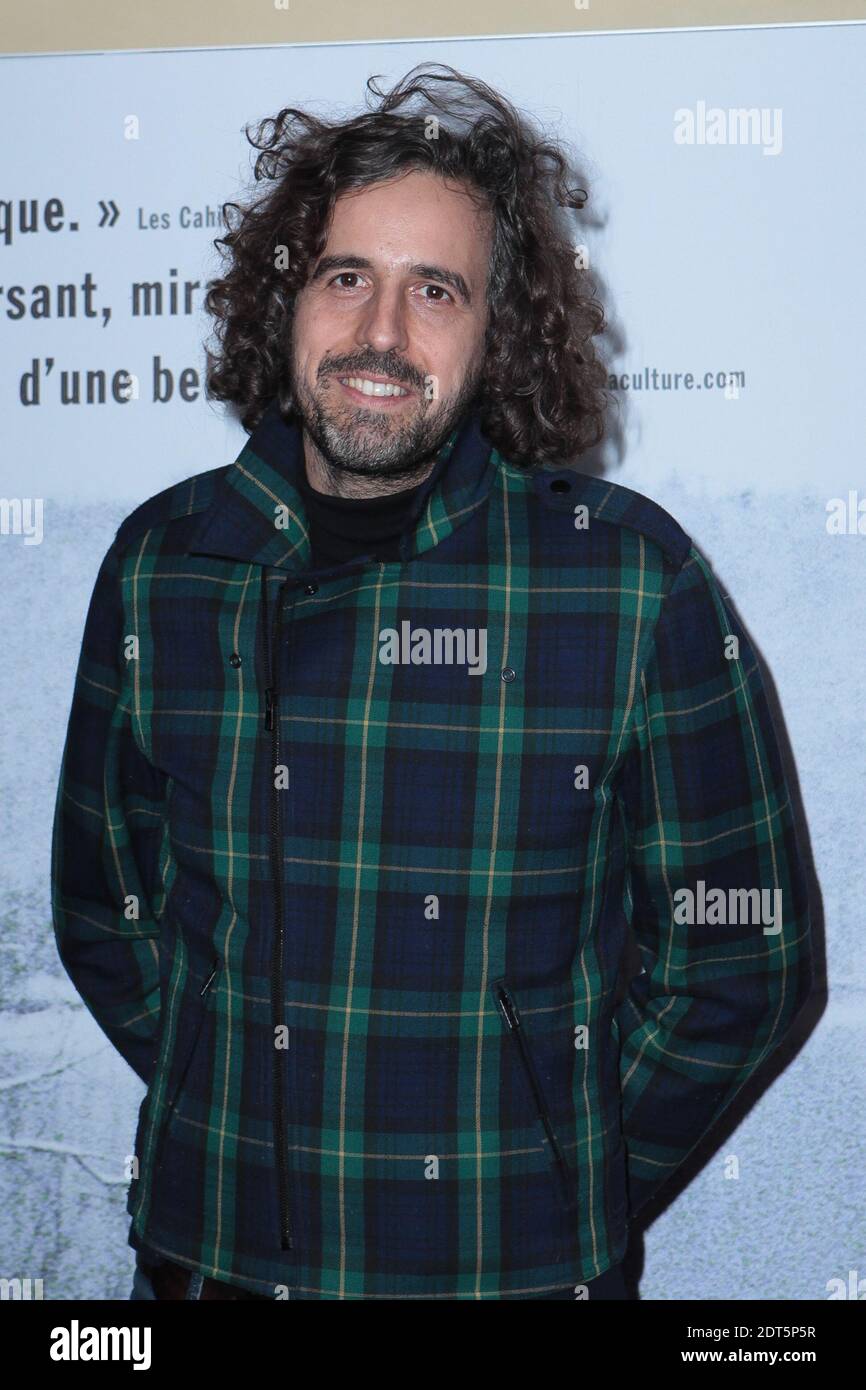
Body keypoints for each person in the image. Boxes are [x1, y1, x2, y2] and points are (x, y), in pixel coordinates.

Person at [51, 63, 812, 1302]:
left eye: (436, 292)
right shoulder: (161, 564)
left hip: (508, 1278)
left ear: (496, 332)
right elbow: (107, 910)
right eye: (345, 276)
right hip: (210, 1264)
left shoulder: (628, 582)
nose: (380, 335)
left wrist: (558, 1165)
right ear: (284, 301)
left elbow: (742, 957)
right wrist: (228, 1091)